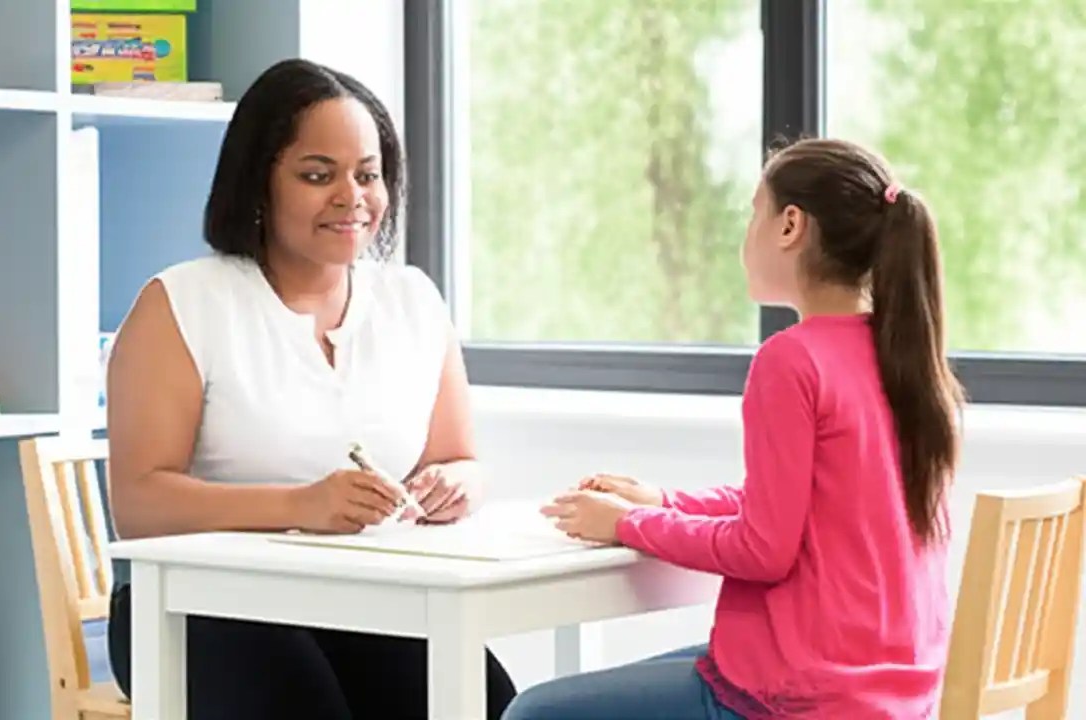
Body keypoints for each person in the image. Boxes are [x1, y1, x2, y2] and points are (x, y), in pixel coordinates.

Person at [103, 58, 517, 720]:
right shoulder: (180, 303)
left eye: (369, 174)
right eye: (318, 175)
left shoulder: (411, 299)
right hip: (201, 605)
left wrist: (456, 483)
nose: (352, 196)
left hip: (364, 597)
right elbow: (140, 504)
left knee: (487, 703)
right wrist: (303, 504)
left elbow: (457, 456)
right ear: (258, 184)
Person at [511, 138, 965, 720]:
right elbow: (800, 509)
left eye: (755, 211)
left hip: (806, 696)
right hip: (891, 691)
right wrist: (666, 500)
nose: (746, 233)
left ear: (790, 226)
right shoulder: (900, 356)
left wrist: (629, 524)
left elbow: (763, 550)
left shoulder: (792, 360)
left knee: (534, 713)